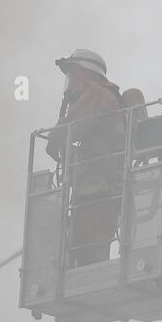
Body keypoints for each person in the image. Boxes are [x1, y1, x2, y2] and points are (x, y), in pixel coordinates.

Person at [45, 50, 125, 267]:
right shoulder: (103, 97)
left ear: (85, 74)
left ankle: (86, 271)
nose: (69, 84)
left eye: (72, 76)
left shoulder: (98, 94)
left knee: (89, 243)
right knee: (85, 243)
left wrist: (55, 137)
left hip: (99, 189)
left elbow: (74, 121)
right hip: (96, 188)